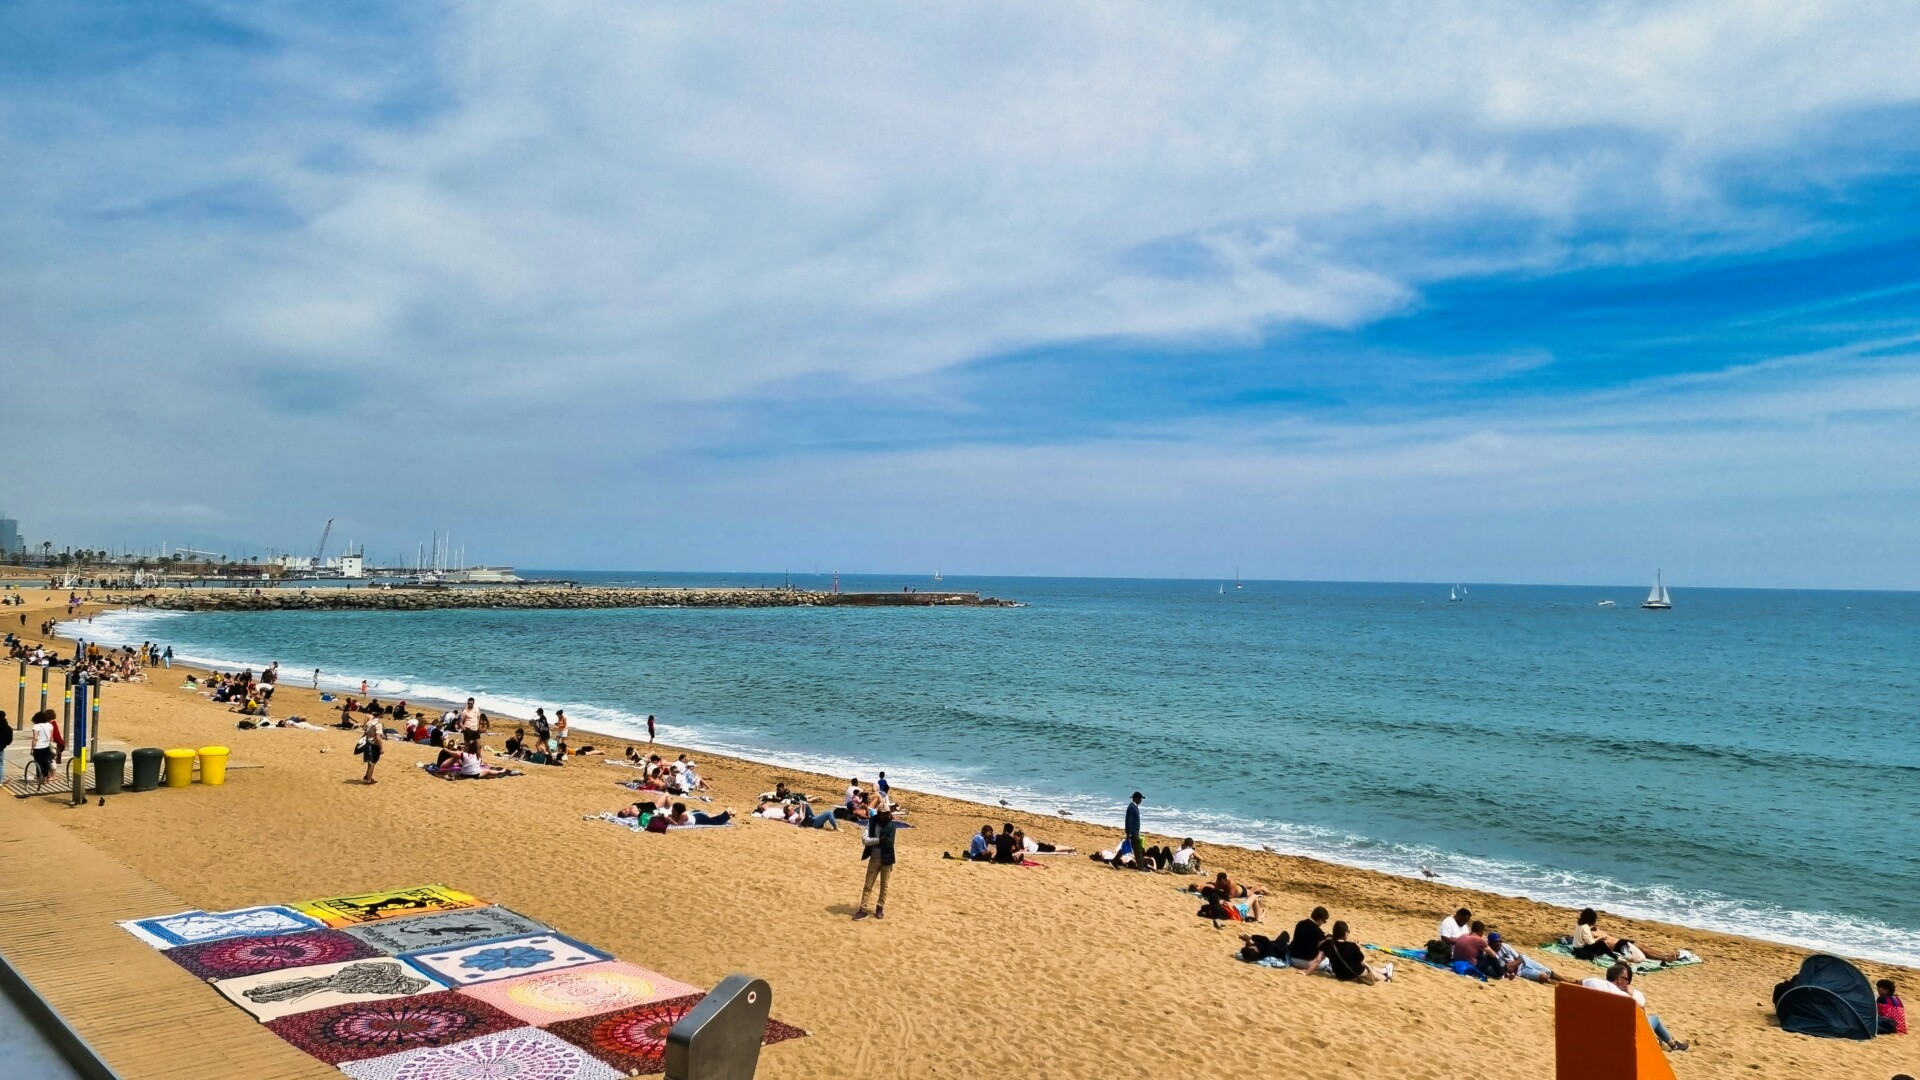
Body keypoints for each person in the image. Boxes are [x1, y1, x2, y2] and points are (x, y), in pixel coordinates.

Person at [1581, 962, 1688, 1051]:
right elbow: (1641, 1018)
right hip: (1626, 1033)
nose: (1627, 982)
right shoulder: (1630, 996)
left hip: (1598, 1026)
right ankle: (1673, 1045)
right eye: (1626, 979)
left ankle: (1663, 1041)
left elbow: (1574, 982)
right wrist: (1631, 994)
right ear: (1620, 979)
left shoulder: (1592, 982)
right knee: (1654, 1019)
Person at [1573, 908, 1686, 964]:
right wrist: (1599, 937)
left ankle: (1665, 955)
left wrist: (1596, 929)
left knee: (1643, 946)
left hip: (1620, 941)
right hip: (1618, 945)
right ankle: (1664, 958)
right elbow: (1592, 942)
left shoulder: (1593, 928)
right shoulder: (1589, 932)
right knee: (1643, 952)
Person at [1307, 920, 1389, 984]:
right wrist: (1357, 947)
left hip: (1341, 975)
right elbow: (1361, 963)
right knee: (1373, 973)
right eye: (1348, 932)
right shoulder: (1352, 946)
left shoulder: (1327, 944)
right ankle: (1386, 979)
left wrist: (1307, 972)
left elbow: (1317, 960)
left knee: (1368, 969)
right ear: (1345, 933)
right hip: (1356, 973)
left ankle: (1384, 972)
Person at [853, 808, 898, 921]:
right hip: (875, 856)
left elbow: (889, 842)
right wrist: (879, 840)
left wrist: (878, 841)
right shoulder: (872, 821)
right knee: (868, 884)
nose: (884, 816)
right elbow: (865, 840)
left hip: (887, 858)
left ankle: (880, 907)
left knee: (884, 885)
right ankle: (863, 909)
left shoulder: (891, 826)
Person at [1480, 932, 1568, 984]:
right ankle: (1558, 984)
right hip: (1520, 972)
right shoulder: (1489, 955)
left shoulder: (1505, 946)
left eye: (1500, 941)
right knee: (1543, 977)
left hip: (1523, 962)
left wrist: (1514, 963)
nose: (1499, 943)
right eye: (1496, 942)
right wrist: (1505, 968)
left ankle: (1567, 981)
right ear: (1490, 943)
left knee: (1548, 971)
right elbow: (1495, 972)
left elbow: (1520, 957)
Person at [1123, 791, 1148, 872]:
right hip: (1133, 832)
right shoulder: (1131, 807)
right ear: (1136, 799)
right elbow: (1128, 821)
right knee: (1138, 849)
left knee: (1127, 848)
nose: (1141, 800)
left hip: (1135, 832)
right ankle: (1141, 867)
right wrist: (1128, 833)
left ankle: (1114, 860)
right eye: (1140, 799)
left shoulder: (1134, 807)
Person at [358, 714, 382, 785]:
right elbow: (377, 737)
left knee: (369, 761)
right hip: (374, 744)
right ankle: (368, 780)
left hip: (368, 742)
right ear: (381, 714)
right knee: (373, 762)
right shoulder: (378, 724)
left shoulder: (369, 722)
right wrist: (381, 748)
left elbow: (365, 733)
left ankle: (367, 776)